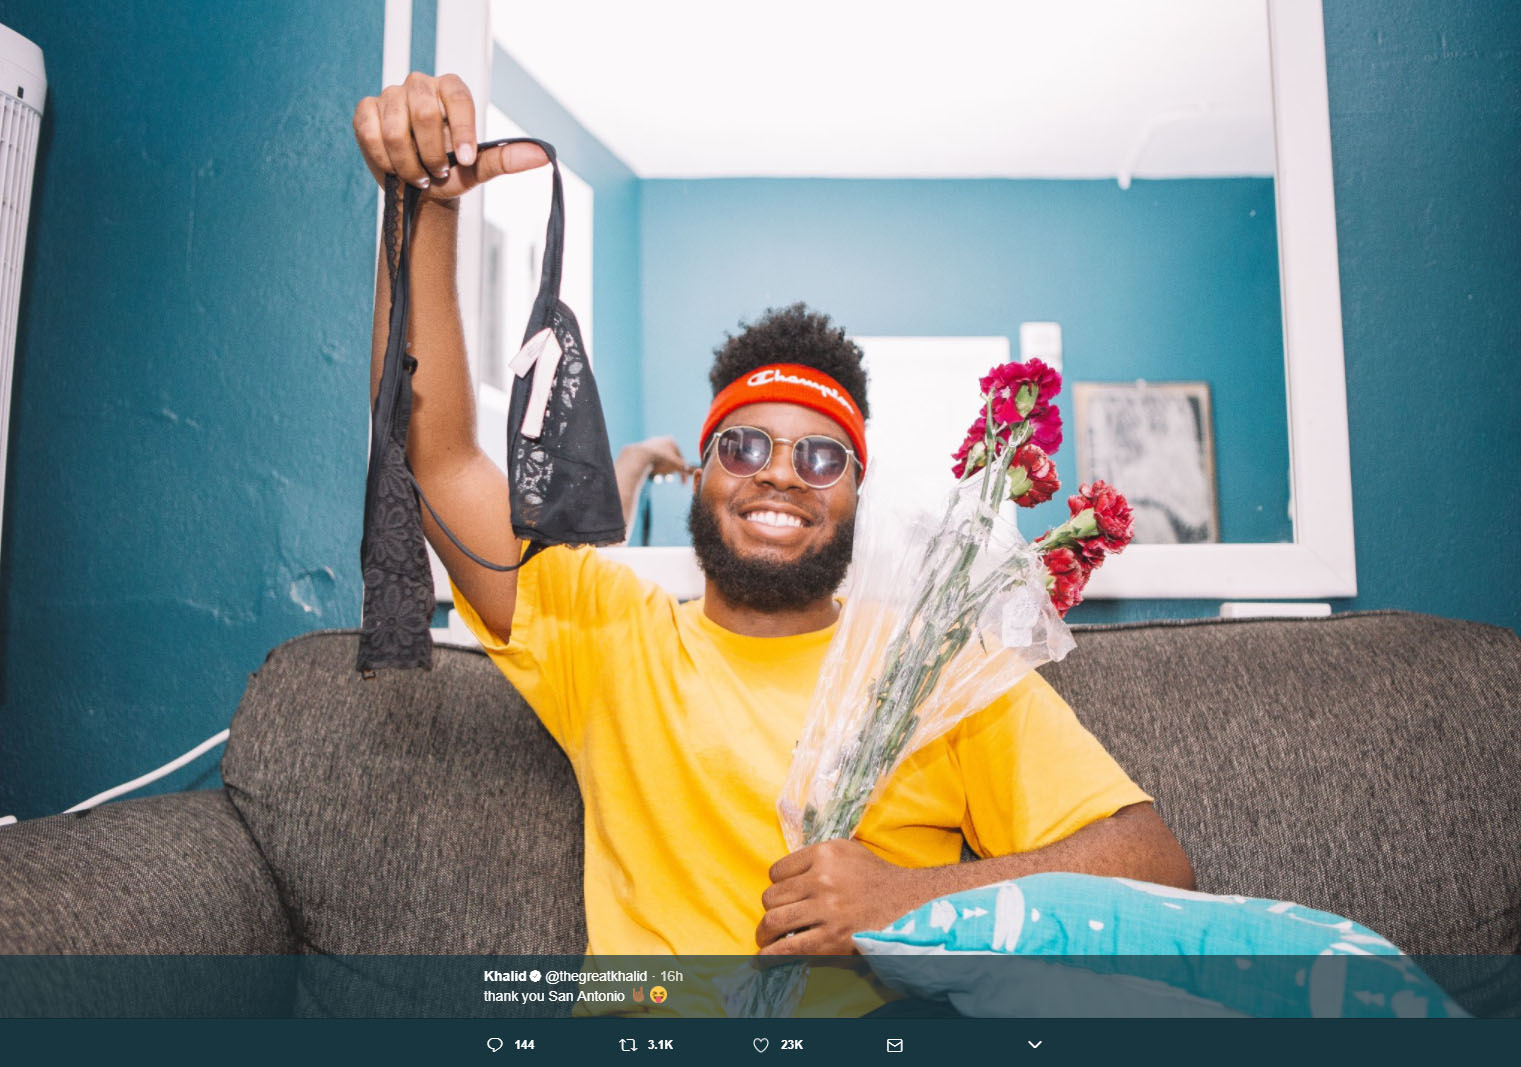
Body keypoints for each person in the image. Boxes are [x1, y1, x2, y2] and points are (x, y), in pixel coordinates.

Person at [352, 73, 1194, 994]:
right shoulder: (606, 633)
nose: (781, 472)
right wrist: (425, 210)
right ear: (704, 470)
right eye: (744, 444)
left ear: (856, 494)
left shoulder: (939, 667)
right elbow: (435, 461)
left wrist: (913, 902)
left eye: (822, 457)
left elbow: (1154, 864)